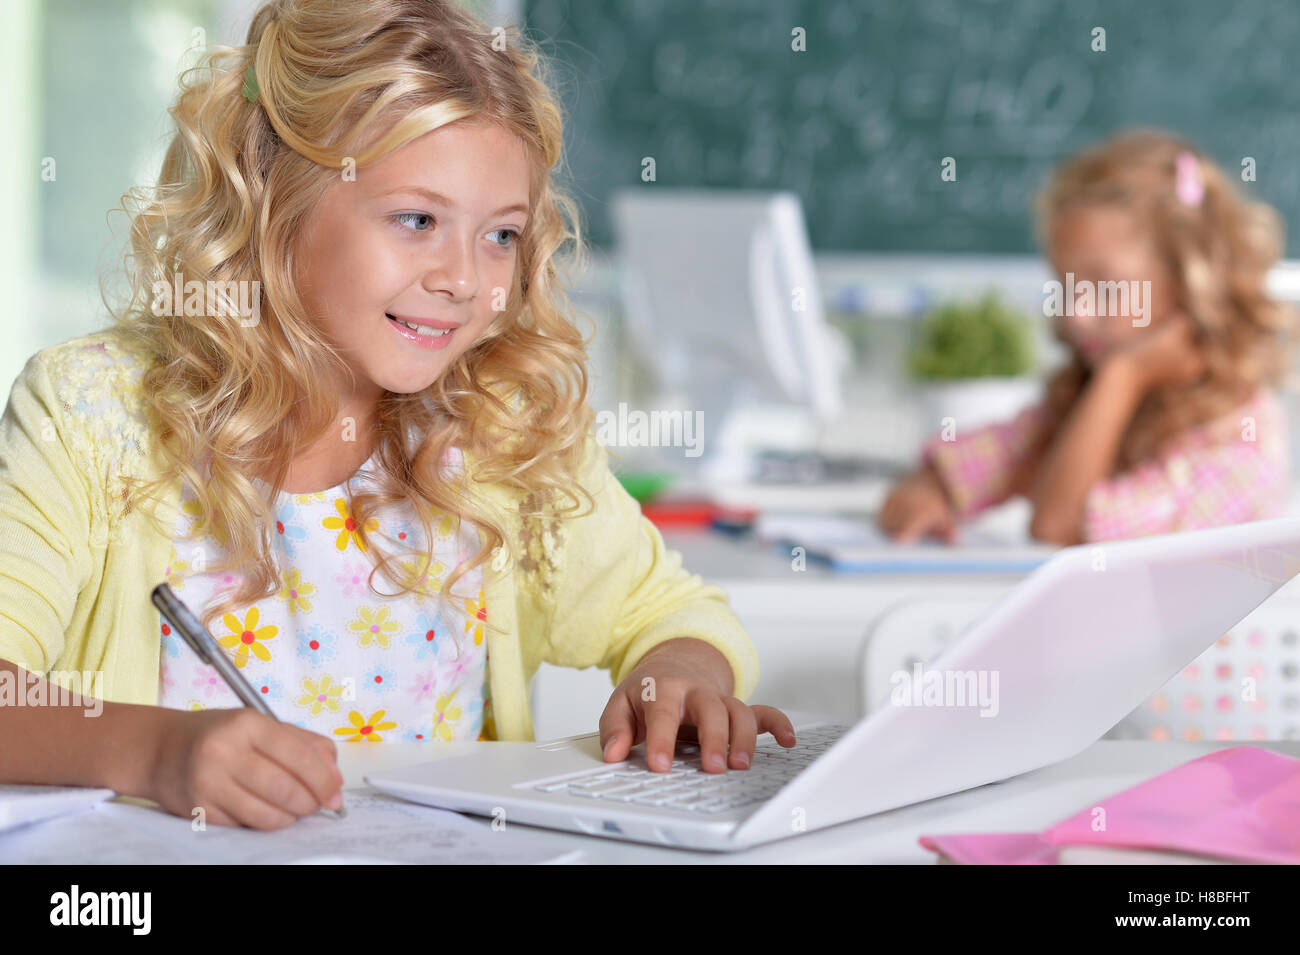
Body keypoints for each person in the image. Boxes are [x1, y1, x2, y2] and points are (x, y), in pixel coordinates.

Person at [0, 0, 792, 830]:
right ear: (276, 204)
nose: (464, 279)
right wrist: (154, 751)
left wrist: (679, 677)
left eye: (501, 236)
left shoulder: (497, 428)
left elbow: (668, 613)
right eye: (417, 220)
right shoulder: (94, 413)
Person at [880, 129, 1296, 546]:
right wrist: (929, 492)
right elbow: (973, 464)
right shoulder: (1077, 398)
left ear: (1190, 283)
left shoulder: (1240, 441)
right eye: (1066, 285)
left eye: (1103, 286)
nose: (1075, 313)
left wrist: (1124, 375)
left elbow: (1060, 526)